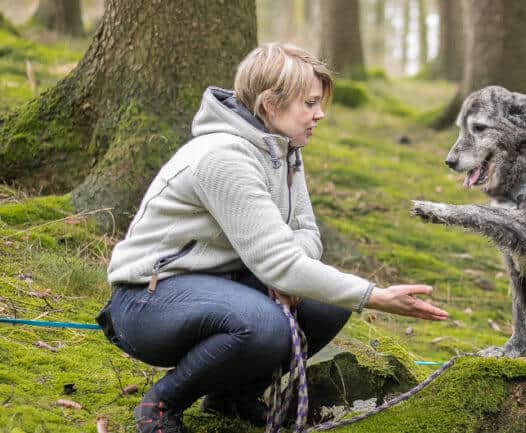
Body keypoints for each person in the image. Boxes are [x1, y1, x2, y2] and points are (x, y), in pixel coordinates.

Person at [95, 43, 448, 433]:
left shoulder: (283, 149)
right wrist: (374, 295)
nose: (320, 113)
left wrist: (282, 274)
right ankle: (161, 405)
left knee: (327, 304)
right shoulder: (222, 157)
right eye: (309, 103)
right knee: (264, 325)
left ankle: (231, 397)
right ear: (270, 105)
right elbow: (281, 264)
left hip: (218, 285)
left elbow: (307, 233)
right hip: (146, 301)